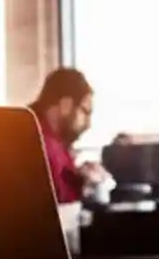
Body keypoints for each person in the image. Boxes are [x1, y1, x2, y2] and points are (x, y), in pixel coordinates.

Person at [28, 68, 106, 204]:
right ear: (66, 105)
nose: (88, 124)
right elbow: (62, 203)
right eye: (85, 111)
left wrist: (81, 178)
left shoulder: (53, 140)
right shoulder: (43, 145)